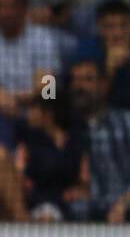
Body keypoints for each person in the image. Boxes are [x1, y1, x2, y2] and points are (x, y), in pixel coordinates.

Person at [67, 56, 130, 223]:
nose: (79, 86)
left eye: (88, 79)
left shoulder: (126, 121)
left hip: (129, 204)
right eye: (75, 80)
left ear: (104, 85)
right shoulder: (68, 128)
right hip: (89, 208)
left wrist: (123, 204)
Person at [15, 92, 86, 220]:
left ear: (48, 114)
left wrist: (80, 190)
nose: (29, 114)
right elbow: (19, 176)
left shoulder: (75, 142)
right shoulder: (28, 142)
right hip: (38, 202)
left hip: (68, 202)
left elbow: (84, 179)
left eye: (33, 109)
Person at [0, 0, 58, 121]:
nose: (5, 13)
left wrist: (16, 99)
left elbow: (49, 89)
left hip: (35, 112)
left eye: (11, 6)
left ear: (24, 9)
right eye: (1, 6)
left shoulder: (42, 38)